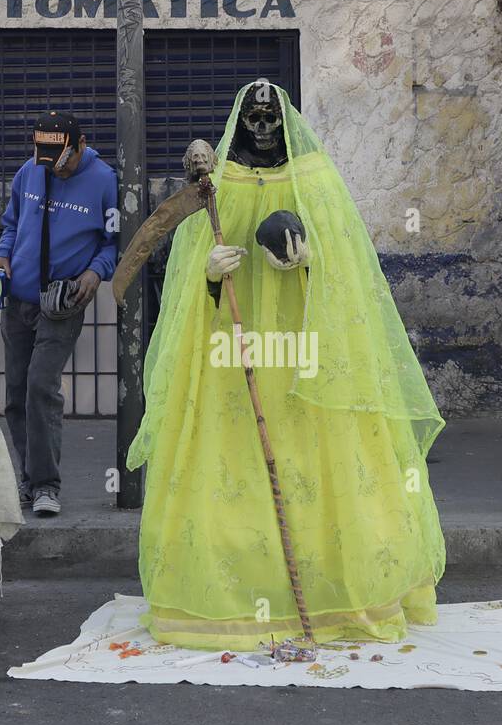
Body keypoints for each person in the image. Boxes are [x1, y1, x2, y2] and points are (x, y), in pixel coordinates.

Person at [124, 80, 447, 650]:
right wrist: (210, 272)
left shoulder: (317, 180)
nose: (264, 127)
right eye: (253, 117)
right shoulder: (215, 186)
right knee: (236, 465)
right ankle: (233, 597)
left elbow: (350, 277)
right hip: (232, 359)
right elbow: (180, 290)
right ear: (239, 121)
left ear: (287, 119)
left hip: (308, 361)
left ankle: (331, 596)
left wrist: (310, 262)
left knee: (315, 464)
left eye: (273, 117)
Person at [0, 111, 117, 517]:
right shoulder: (30, 171)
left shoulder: (104, 180)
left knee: (41, 387)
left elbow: (114, 242)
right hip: (18, 300)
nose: (56, 169)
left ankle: (45, 485)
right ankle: (29, 479)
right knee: (16, 395)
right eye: (48, 161)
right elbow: (11, 225)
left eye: (64, 160)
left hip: (62, 302)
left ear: (79, 145)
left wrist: (96, 273)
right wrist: (1, 256)